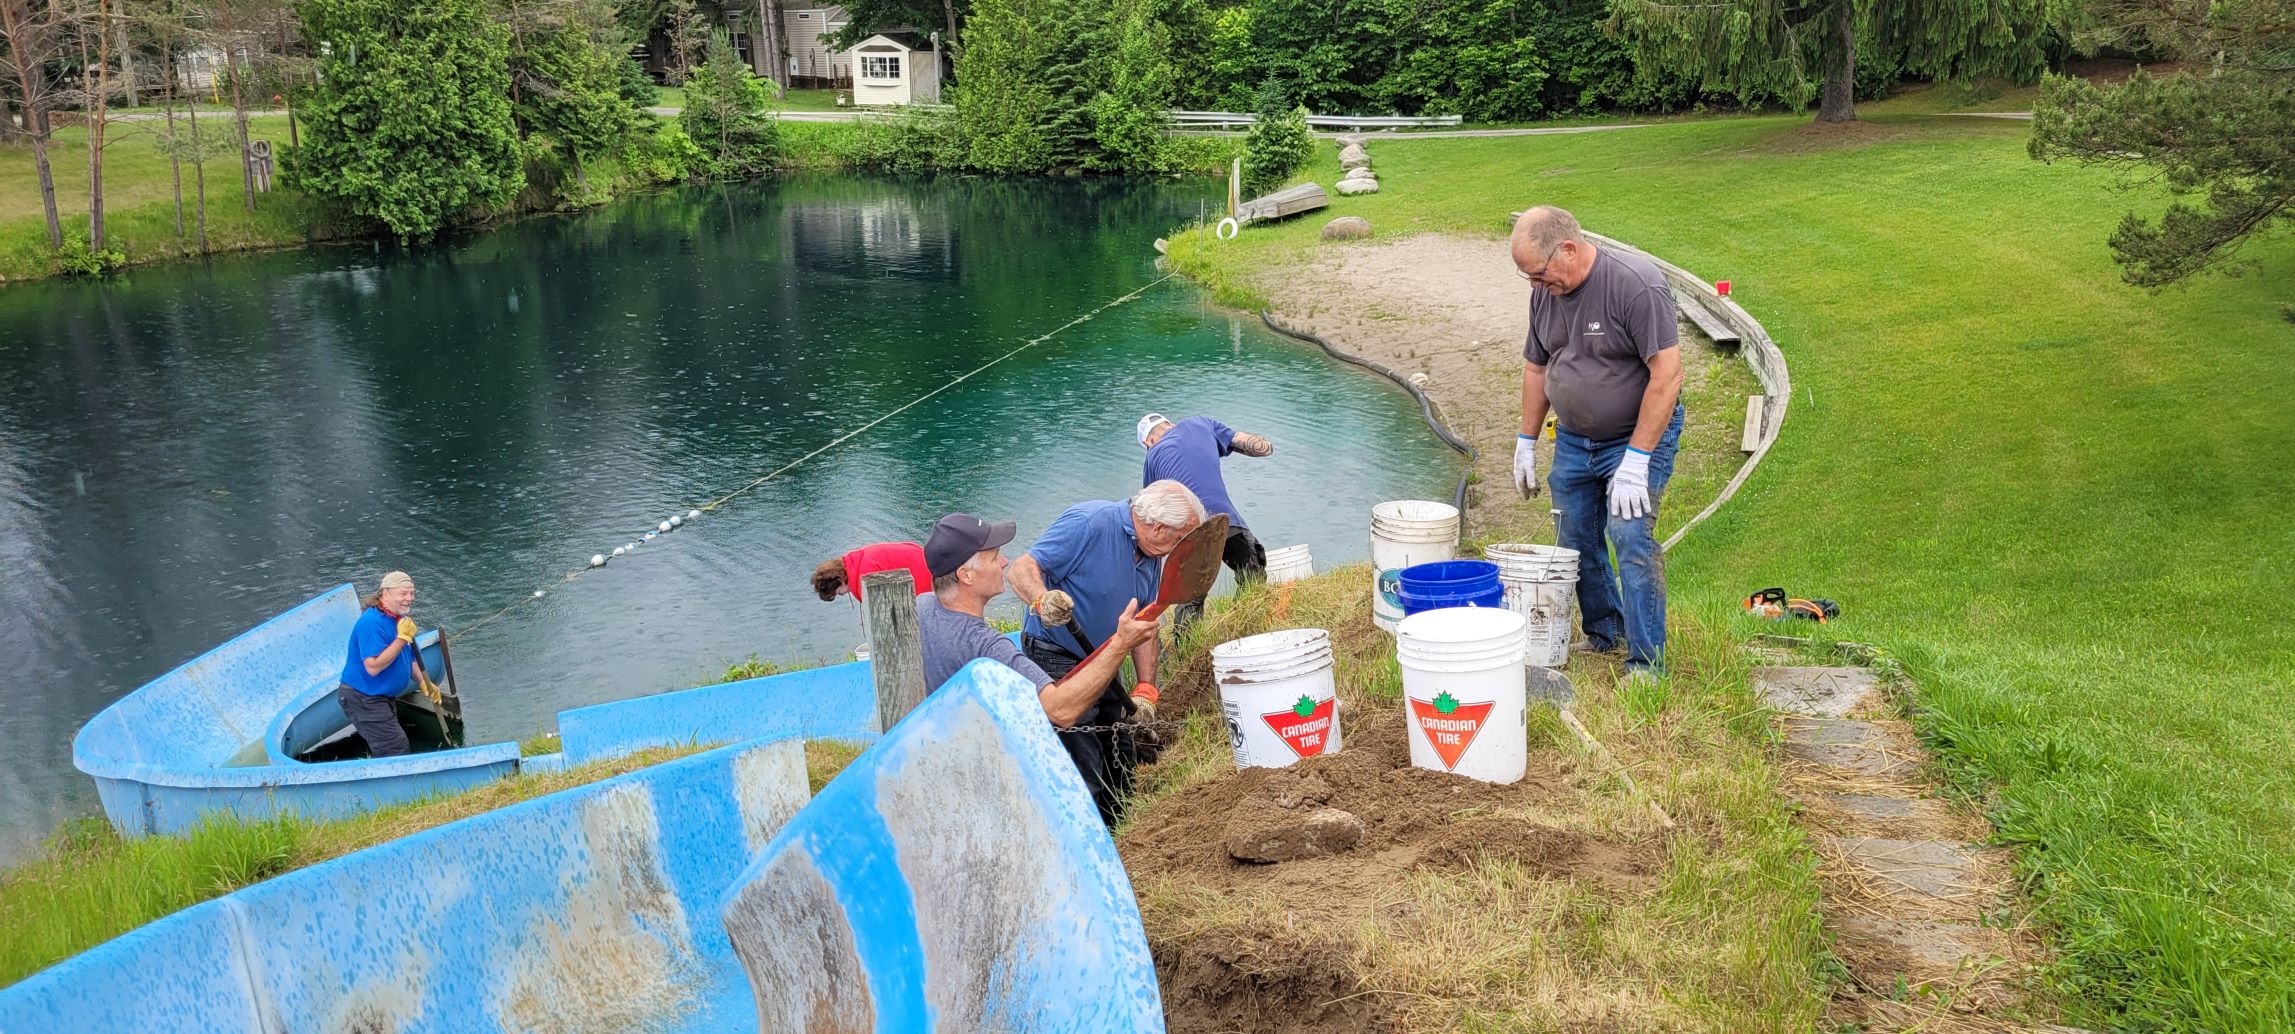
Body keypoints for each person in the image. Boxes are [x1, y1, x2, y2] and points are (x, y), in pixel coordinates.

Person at [1510, 205, 1685, 677]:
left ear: (1568, 248)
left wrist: (1637, 460)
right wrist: (1526, 439)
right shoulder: (1546, 292)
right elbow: (1536, 366)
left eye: (1539, 274)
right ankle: (1606, 631)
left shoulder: (1635, 284)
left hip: (1635, 438)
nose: (1535, 286)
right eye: (1526, 276)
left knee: (1630, 535)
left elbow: (1667, 377)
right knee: (1573, 538)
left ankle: (1647, 665)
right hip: (1573, 438)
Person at [1005, 480, 1207, 823]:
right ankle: (1085, 845)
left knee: (1121, 759)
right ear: (1158, 527)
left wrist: (1145, 689)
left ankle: (1121, 836)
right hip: (1057, 658)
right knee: (1083, 764)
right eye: (1179, 540)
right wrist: (1042, 600)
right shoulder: (1089, 523)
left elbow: (1144, 624)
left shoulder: (1151, 552)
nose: (1179, 550)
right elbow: (1021, 568)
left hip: (1104, 659)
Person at [912, 511, 1161, 725]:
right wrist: (1120, 645)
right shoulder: (987, 647)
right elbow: (1059, 711)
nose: (1004, 561)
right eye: (993, 557)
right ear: (966, 575)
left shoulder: (919, 607)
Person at [1137, 414, 1275, 602]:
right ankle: (1242, 619)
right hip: (1224, 519)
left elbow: (1149, 514)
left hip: (1186, 531)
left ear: (1148, 441)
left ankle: (1187, 631)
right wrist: (1266, 446)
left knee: (1190, 596)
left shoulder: (1152, 457)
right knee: (1252, 571)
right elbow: (1259, 447)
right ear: (1170, 424)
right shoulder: (1200, 424)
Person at [337, 571, 429, 758]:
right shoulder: (371, 623)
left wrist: (423, 682)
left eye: (412, 593)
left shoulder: (398, 618)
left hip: (381, 695)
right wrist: (402, 638)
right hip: (363, 697)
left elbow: (408, 657)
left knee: (388, 746)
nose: (410, 598)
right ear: (385, 594)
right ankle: (396, 786)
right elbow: (373, 667)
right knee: (394, 748)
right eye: (403, 593)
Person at [811, 541, 932, 602]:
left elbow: (884, 609)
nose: (841, 594)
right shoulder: (856, 561)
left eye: (838, 592)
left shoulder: (864, 579)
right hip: (924, 557)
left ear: (840, 580)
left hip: (923, 576)